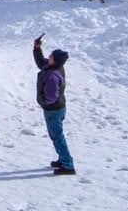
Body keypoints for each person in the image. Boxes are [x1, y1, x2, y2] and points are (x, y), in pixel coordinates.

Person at [33, 34, 75, 175]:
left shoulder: (51, 76)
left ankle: (68, 166)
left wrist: (43, 102)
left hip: (53, 111)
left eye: (50, 56)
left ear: (54, 61)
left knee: (57, 137)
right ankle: (62, 159)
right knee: (57, 136)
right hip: (59, 108)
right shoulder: (56, 67)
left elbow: (52, 96)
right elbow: (41, 63)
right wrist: (37, 48)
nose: (48, 56)